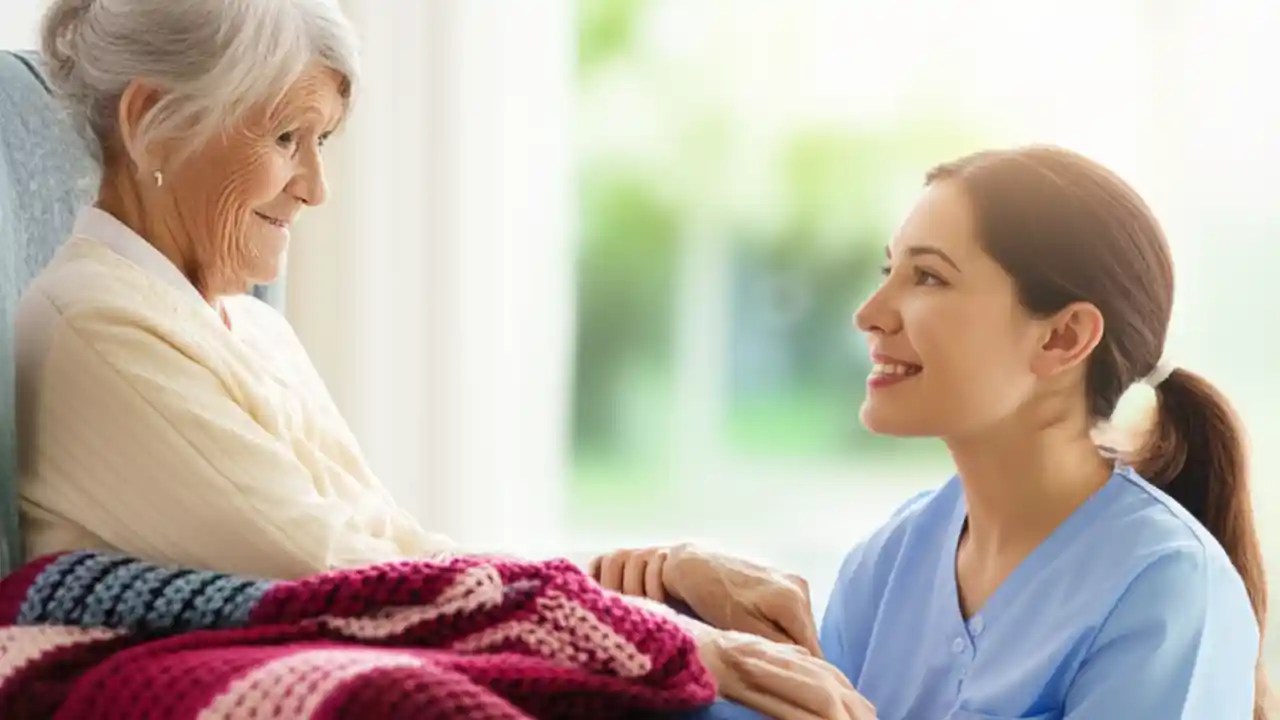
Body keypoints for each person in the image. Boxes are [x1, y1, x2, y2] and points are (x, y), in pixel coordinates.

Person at [594, 146, 1268, 719]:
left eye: (928, 277)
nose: (869, 313)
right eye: (890, 270)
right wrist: (669, 619)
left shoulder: (1169, 590)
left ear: (1064, 336)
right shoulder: (889, 562)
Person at [16, 0, 452, 580]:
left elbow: (401, 542)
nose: (316, 190)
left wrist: (582, 577)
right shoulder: (92, 324)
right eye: (285, 137)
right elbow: (315, 563)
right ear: (152, 121)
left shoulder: (255, 328)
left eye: (320, 140)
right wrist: (541, 592)